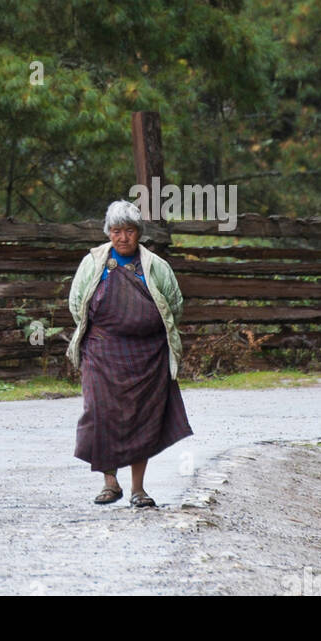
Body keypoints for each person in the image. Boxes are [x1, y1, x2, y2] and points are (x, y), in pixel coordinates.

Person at [66, 198, 192, 508]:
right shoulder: (93, 263)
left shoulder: (155, 266)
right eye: (117, 231)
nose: (123, 237)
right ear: (108, 232)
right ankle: (110, 483)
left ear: (140, 233)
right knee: (99, 412)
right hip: (102, 350)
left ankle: (138, 489)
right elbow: (76, 304)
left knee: (142, 418)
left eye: (130, 231)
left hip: (147, 353)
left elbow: (174, 305)